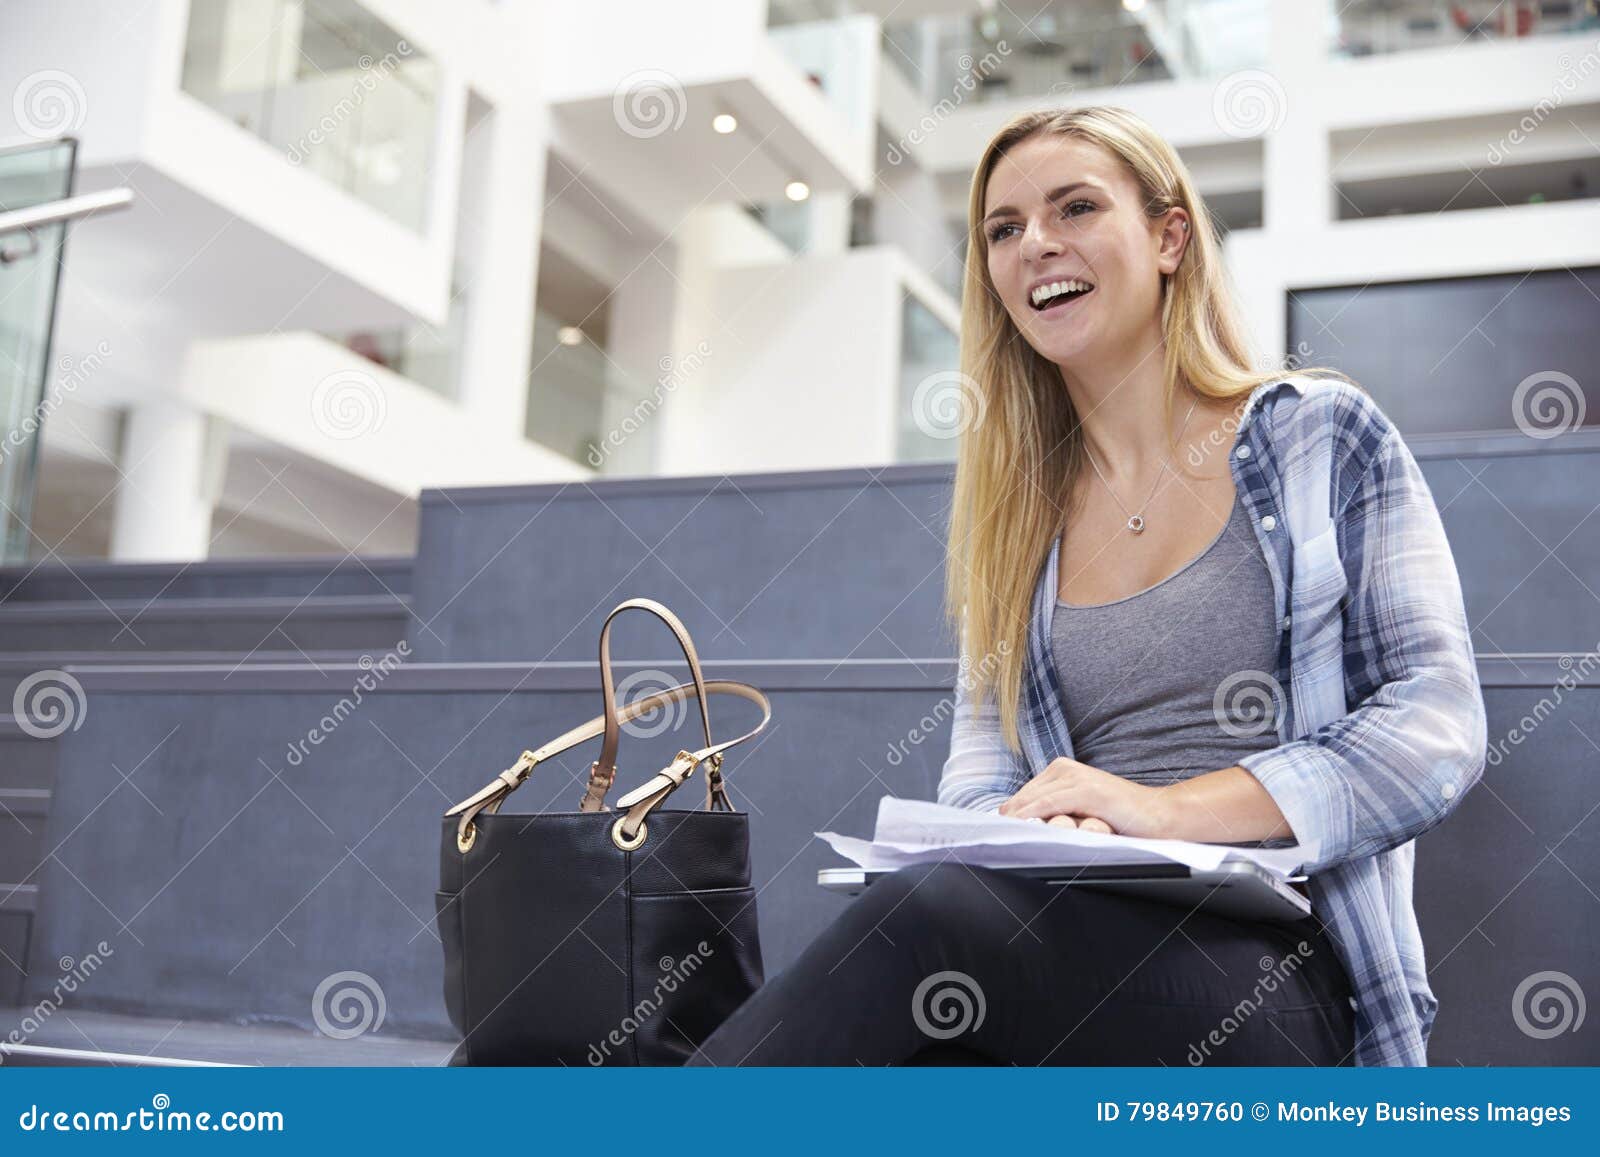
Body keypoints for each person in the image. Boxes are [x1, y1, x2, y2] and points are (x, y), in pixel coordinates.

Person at [685, 105, 1487, 1068]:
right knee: (930, 1016)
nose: (1036, 244)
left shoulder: (1318, 435)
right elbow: (982, 778)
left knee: (925, 922)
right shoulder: (1018, 516)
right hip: (1066, 937)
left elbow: (1437, 725)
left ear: (1169, 238)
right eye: (1004, 228)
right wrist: (1041, 824)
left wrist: (1165, 809)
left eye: (1075, 207)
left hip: (1277, 973)